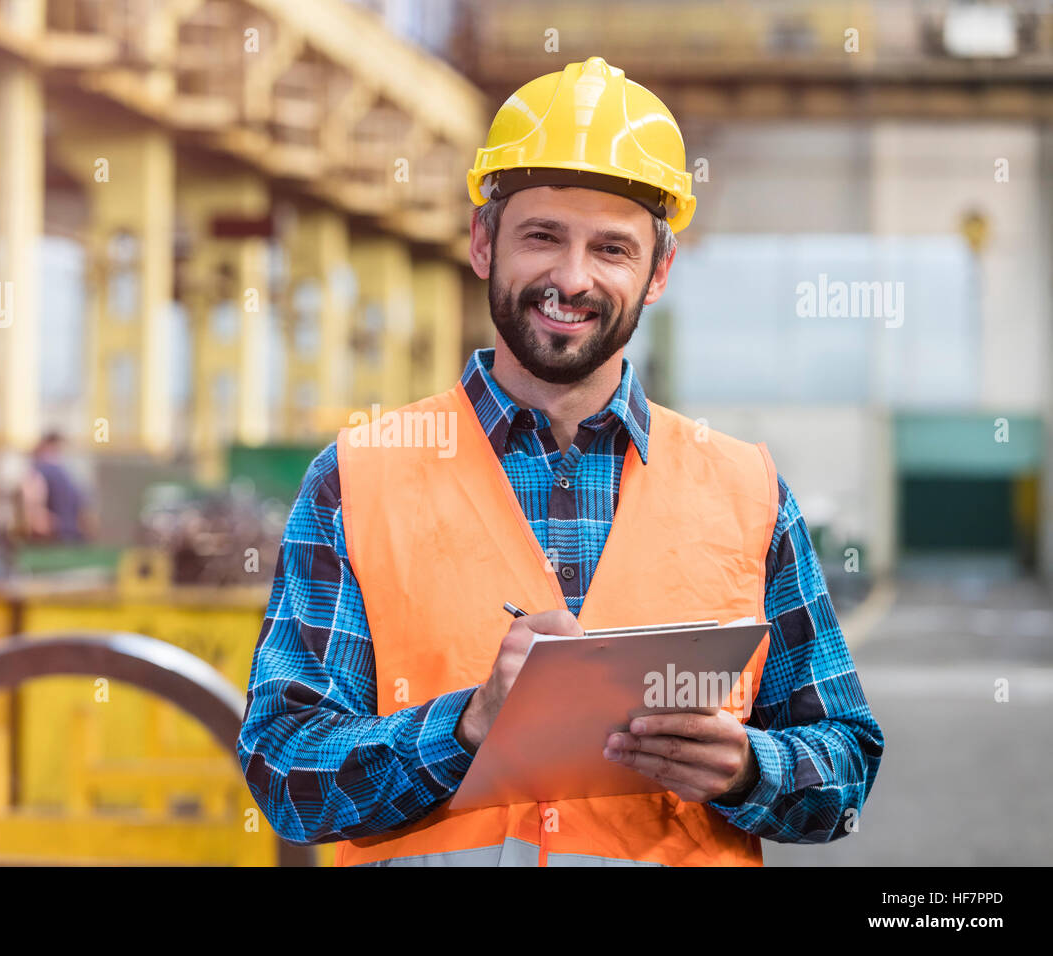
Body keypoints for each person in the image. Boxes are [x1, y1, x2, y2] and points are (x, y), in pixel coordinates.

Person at [237, 56, 884, 866]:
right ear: (483, 242)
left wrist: (754, 767)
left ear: (658, 273)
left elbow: (847, 765)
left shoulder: (745, 491)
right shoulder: (358, 479)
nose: (571, 279)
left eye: (612, 248)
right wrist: (466, 727)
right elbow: (283, 770)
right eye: (542, 236)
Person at [19, 431, 92, 543]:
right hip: (63, 537)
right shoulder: (62, 473)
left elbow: (31, 506)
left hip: (61, 537)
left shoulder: (48, 471)